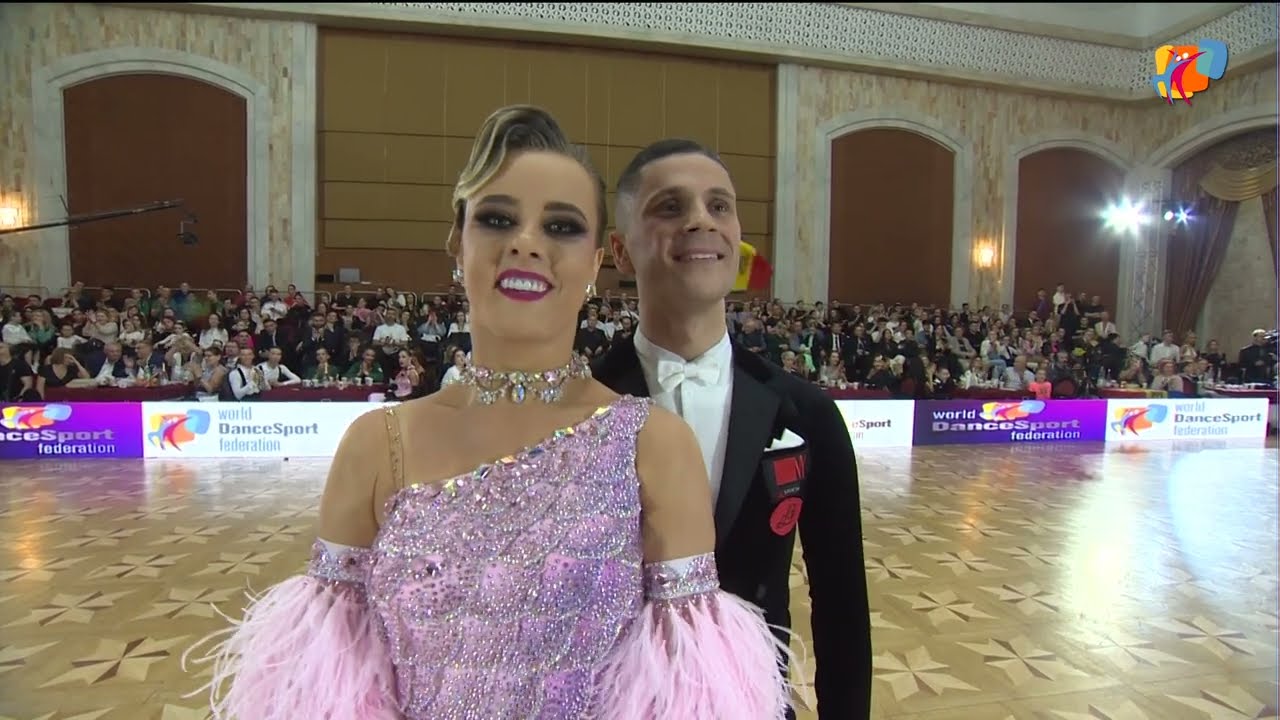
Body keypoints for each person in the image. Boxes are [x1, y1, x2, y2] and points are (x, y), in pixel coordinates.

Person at [185, 106, 791, 719]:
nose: (526, 243)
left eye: (561, 227)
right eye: (498, 219)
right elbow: (331, 695)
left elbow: (685, 695)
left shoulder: (655, 445)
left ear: (595, 264)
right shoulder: (377, 446)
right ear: (458, 242)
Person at [593, 138, 871, 718]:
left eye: (719, 206)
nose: (701, 219)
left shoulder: (806, 413)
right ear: (620, 250)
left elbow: (841, 604)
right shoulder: (578, 408)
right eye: (670, 207)